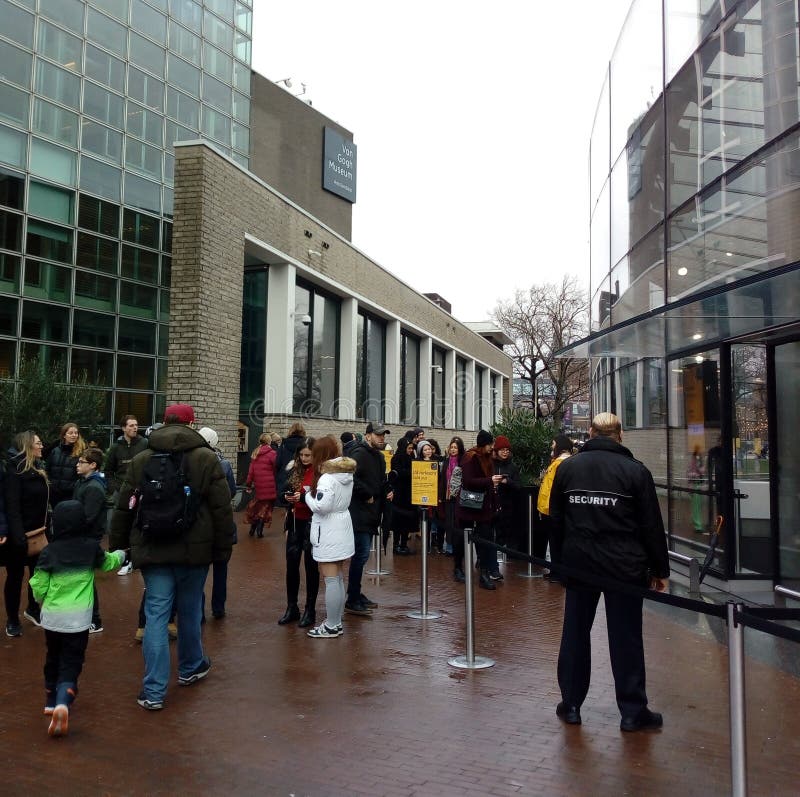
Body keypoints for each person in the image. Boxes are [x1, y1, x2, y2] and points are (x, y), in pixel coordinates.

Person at [109, 403, 234, 711]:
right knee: (191, 610)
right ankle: (191, 668)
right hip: (195, 550)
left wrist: (120, 546)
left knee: (156, 615)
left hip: (152, 546)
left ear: (163, 423)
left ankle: (153, 690)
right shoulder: (206, 458)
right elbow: (221, 508)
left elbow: (124, 506)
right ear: (192, 424)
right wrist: (222, 549)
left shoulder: (141, 458)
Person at [550, 412, 670, 732]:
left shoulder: (567, 468)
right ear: (621, 435)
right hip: (624, 567)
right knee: (626, 639)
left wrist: (559, 563)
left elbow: (556, 521)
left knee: (575, 634)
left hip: (579, 565)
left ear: (590, 432)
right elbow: (651, 526)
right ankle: (632, 710)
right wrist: (659, 569)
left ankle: (571, 703)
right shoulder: (635, 471)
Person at [29, 500, 125, 737]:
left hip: (52, 618)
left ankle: (51, 700)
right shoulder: (90, 548)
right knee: (72, 660)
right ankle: (64, 698)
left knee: (53, 656)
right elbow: (108, 563)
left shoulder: (49, 552)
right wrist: (121, 555)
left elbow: (38, 585)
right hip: (79, 619)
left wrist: (43, 599)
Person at [302, 436, 356, 638]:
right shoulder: (345, 474)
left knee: (331, 579)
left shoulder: (327, 478)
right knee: (338, 577)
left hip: (329, 530)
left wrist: (307, 495)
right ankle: (336, 620)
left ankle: (333, 624)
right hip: (342, 526)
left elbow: (321, 506)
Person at [3, 430, 49, 634]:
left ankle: (33, 608)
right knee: (15, 577)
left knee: (37, 575)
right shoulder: (14, 472)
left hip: (39, 534)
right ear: (27, 446)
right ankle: (12, 619)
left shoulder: (38, 468)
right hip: (19, 537)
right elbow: (12, 507)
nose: (41, 446)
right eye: (38, 443)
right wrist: (19, 536)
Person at [345, 422, 392, 616]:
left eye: (383, 435)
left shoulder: (379, 457)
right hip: (359, 513)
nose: (382, 438)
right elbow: (349, 476)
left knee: (362, 556)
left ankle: (356, 593)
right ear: (368, 436)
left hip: (372, 513)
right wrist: (366, 494)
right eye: (378, 435)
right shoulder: (360, 453)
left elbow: (380, 481)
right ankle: (352, 598)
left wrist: (388, 490)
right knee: (361, 555)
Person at [279, 437, 319, 628]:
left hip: (312, 522)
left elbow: (322, 499)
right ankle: (291, 607)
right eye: (302, 455)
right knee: (292, 565)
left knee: (311, 567)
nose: (304, 458)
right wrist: (285, 496)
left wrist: (303, 497)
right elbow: (283, 489)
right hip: (295, 521)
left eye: (308, 455)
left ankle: (310, 609)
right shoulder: (294, 469)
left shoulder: (320, 472)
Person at [198, 427, 237, 620]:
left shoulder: (193, 462)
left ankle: (199, 609)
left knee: (200, 570)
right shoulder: (225, 464)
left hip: (202, 524)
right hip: (222, 523)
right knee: (221, 569)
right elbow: (231, 491)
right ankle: (218, 607)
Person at [456, 430, 503, 590]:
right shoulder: (470, 458)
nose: (492, 448)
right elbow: (469, 481)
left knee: (485, 539)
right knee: (462, 538)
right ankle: (458, 567)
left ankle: (484, 573)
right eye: (490, 444)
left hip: (484, 506)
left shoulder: (488, 458)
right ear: (484, 444)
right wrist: (489, 480)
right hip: (469, 505)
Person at [104, 415, 148, 575]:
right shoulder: (116, 447)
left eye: (136, 425)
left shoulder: (144, 444)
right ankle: (126, 559)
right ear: (123, 428)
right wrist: (117, 488)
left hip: (141, 492)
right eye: (131, 425)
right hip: (123, 494)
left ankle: (140, 558)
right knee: (122, 526)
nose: (134, 428)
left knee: (140, 525)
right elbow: (108, 471)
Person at [72, 447, 109, 632]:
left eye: (81, 462)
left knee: (86, 578)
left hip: (87, 538)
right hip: (81, 536)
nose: (78, 465)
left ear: (93, 465)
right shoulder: (83, 483)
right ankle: (86, 616)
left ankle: (95, 619)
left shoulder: (94, 487)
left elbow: (88, 517)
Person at [537, 434, 574, 582]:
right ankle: (555, 570)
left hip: (553, 510)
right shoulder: (557, 462)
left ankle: (558, 572)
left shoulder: (561, 463)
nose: (552, 447)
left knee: (556, 542)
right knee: (554, 542)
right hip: (550, 508)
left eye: (553, 444)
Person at [492, 435, 521, 580]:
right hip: (492, 505)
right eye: (502, 450)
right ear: (496, 451)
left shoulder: (512, 466)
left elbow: (518, 486)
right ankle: (489, 562)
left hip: (507, 506)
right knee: (491, 535)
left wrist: (506, 481)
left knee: (504, 534)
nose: (504, 452)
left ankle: (504, 561)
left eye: (507, 450)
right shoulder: (490, 465)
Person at [245, 433, 278, 538]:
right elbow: (275, 469)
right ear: (269, 442)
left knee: (257, 506)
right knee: (265, 508)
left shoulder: (255, 453)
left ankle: (252, 528)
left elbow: (251, 472)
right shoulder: (273, 453)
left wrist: (248, 485)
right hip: (270, 485)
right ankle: (259, 529)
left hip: (259, 486)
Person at [45, 422, 87, 506]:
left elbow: (83, 473)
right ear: (64, 435)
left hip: (71, 494)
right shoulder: (55, 451)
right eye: (70, 433)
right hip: (54, 493)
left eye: (76, 433)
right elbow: (47, 469)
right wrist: (51, 486)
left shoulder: (82, 452)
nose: (74, 435)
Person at [390, 437, 417, 555]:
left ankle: (404, 544)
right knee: (398, 521)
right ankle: (396, 545)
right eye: (409, 448)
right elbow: (398, 472)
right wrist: (412, 472)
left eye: (412, 448)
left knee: (406, 521)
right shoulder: (396, 458)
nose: (411, 450)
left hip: (409, 495)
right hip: (399, 494)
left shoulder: (411, 458)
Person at [445, 437, 465, 574]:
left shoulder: (462, 462)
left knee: (456, 522)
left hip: (458, 496)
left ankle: (457, 549)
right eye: (451, 447)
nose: (453, 450)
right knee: (448, 521)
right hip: (447, 496)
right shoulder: (446, 462)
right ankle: (449, 546)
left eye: (455, 447)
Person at [274, 422, 307, 506]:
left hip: (285, 477)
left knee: (287, 501)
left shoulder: (284, 444)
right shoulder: (306, 444)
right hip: (301, 476)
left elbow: (277, 462)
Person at [687, 445, 705, 532]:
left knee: (697, 506)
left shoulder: (697, 460)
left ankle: (697, 524)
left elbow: (702, 471)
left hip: (697, 484)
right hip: (695, 484)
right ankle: (698, 525)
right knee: (696, 506)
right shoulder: (694, 460)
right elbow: (691, 472)